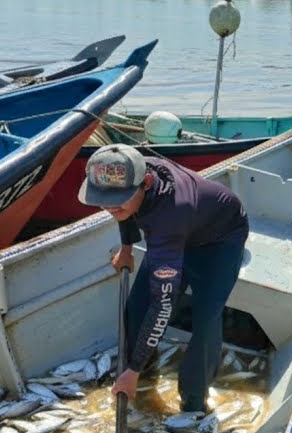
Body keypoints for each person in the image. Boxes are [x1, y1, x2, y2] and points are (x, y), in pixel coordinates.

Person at [78, 144, 249, 414]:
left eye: (119, 199)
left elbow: (163, 306)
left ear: (147, 183)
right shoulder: (129, 168)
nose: (109, 207)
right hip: (178, 229)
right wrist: (126, 249)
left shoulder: (167, 217)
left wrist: (132, 370)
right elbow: (123, 210)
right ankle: (143, 369)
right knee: (137, 307)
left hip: (220, 240)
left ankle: (193, 403)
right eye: (103, 200)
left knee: (206, 321)